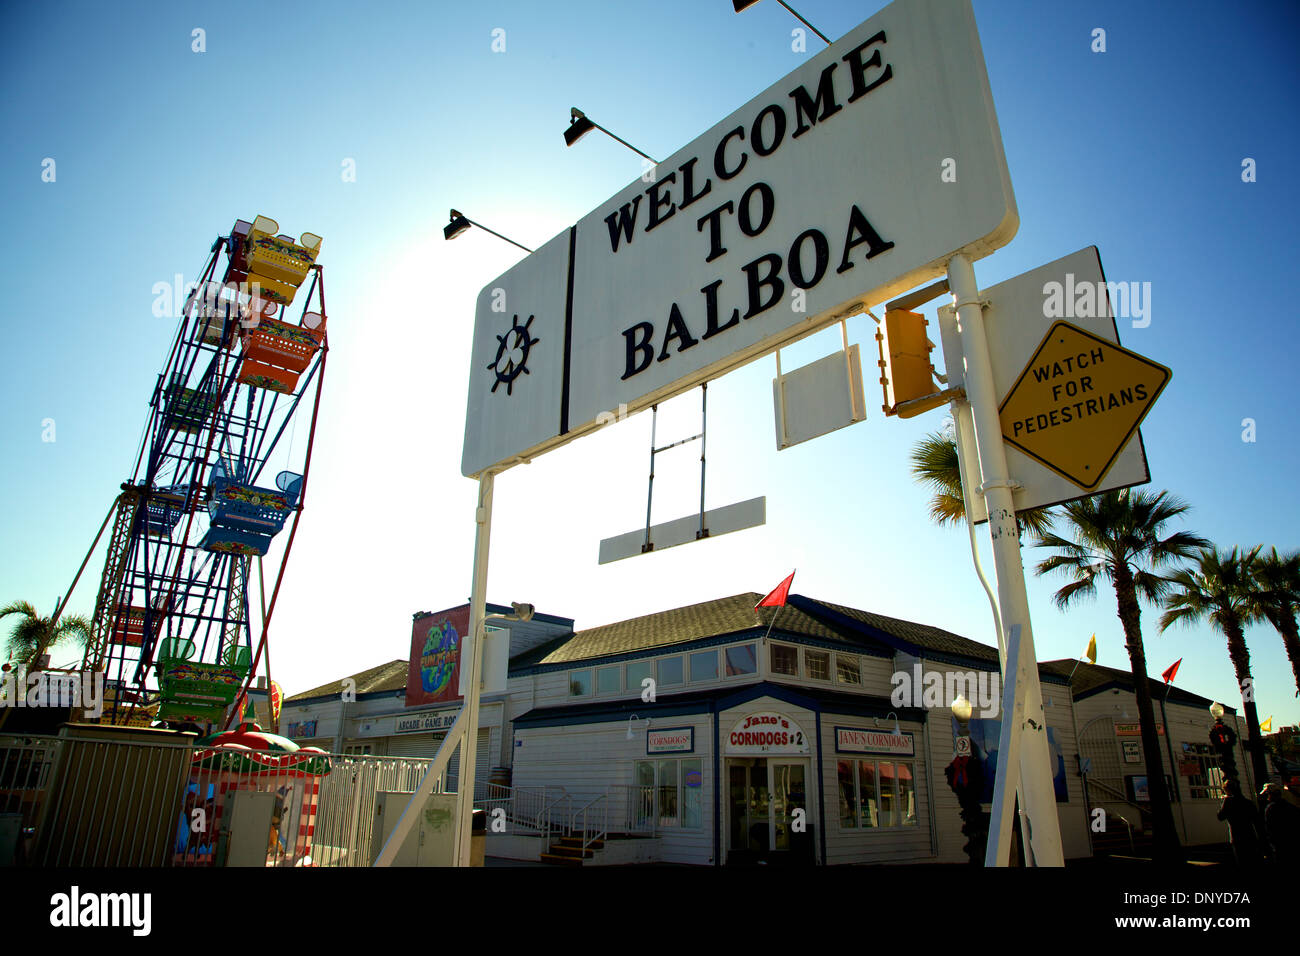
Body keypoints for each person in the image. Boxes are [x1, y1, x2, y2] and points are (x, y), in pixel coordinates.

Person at [1216, 778, 1263, 866]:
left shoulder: (1228, 802)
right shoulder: (1248, 803)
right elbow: (1256, 820)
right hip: (1250, 834)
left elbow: (1220, 817)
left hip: (1237, 836)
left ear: (1227, 790)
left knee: (1242, 861)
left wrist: (1223, 802)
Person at [1260, 783, 1300, 864]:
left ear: (1271, 795)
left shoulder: (1270, 809)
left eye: (1267, 795)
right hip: (1293, 844)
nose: (1267, 798)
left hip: (1279, 845)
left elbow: (1269, 829)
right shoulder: (1291, 807)